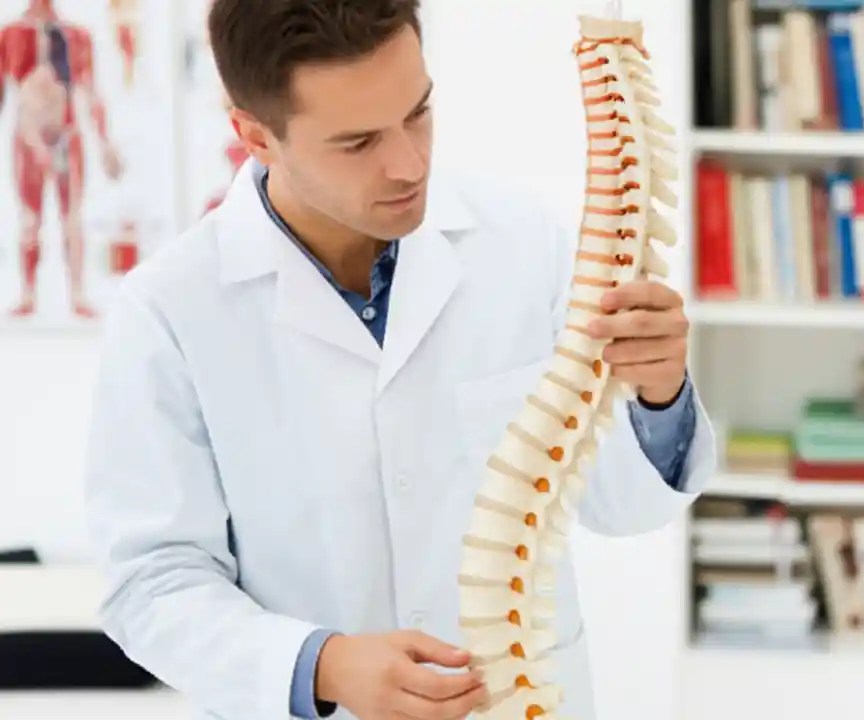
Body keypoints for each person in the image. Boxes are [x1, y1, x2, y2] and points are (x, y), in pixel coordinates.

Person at [80, 2, 716, 720]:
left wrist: (658, 398)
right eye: (357, 143)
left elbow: (619, 508)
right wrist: (320, 664)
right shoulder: (170, 311)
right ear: (254, 136)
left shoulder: (524, 245)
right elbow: (151, 583)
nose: (408, 164)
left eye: (419, 113)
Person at [0, 0, 123, 318]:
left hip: (67, 134)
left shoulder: (76, 35)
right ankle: (28, 292)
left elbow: (90, 92)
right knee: (30, 218)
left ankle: (77, 292)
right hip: (28, 137)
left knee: (72, 218)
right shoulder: (12, 33)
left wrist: (105, 142)